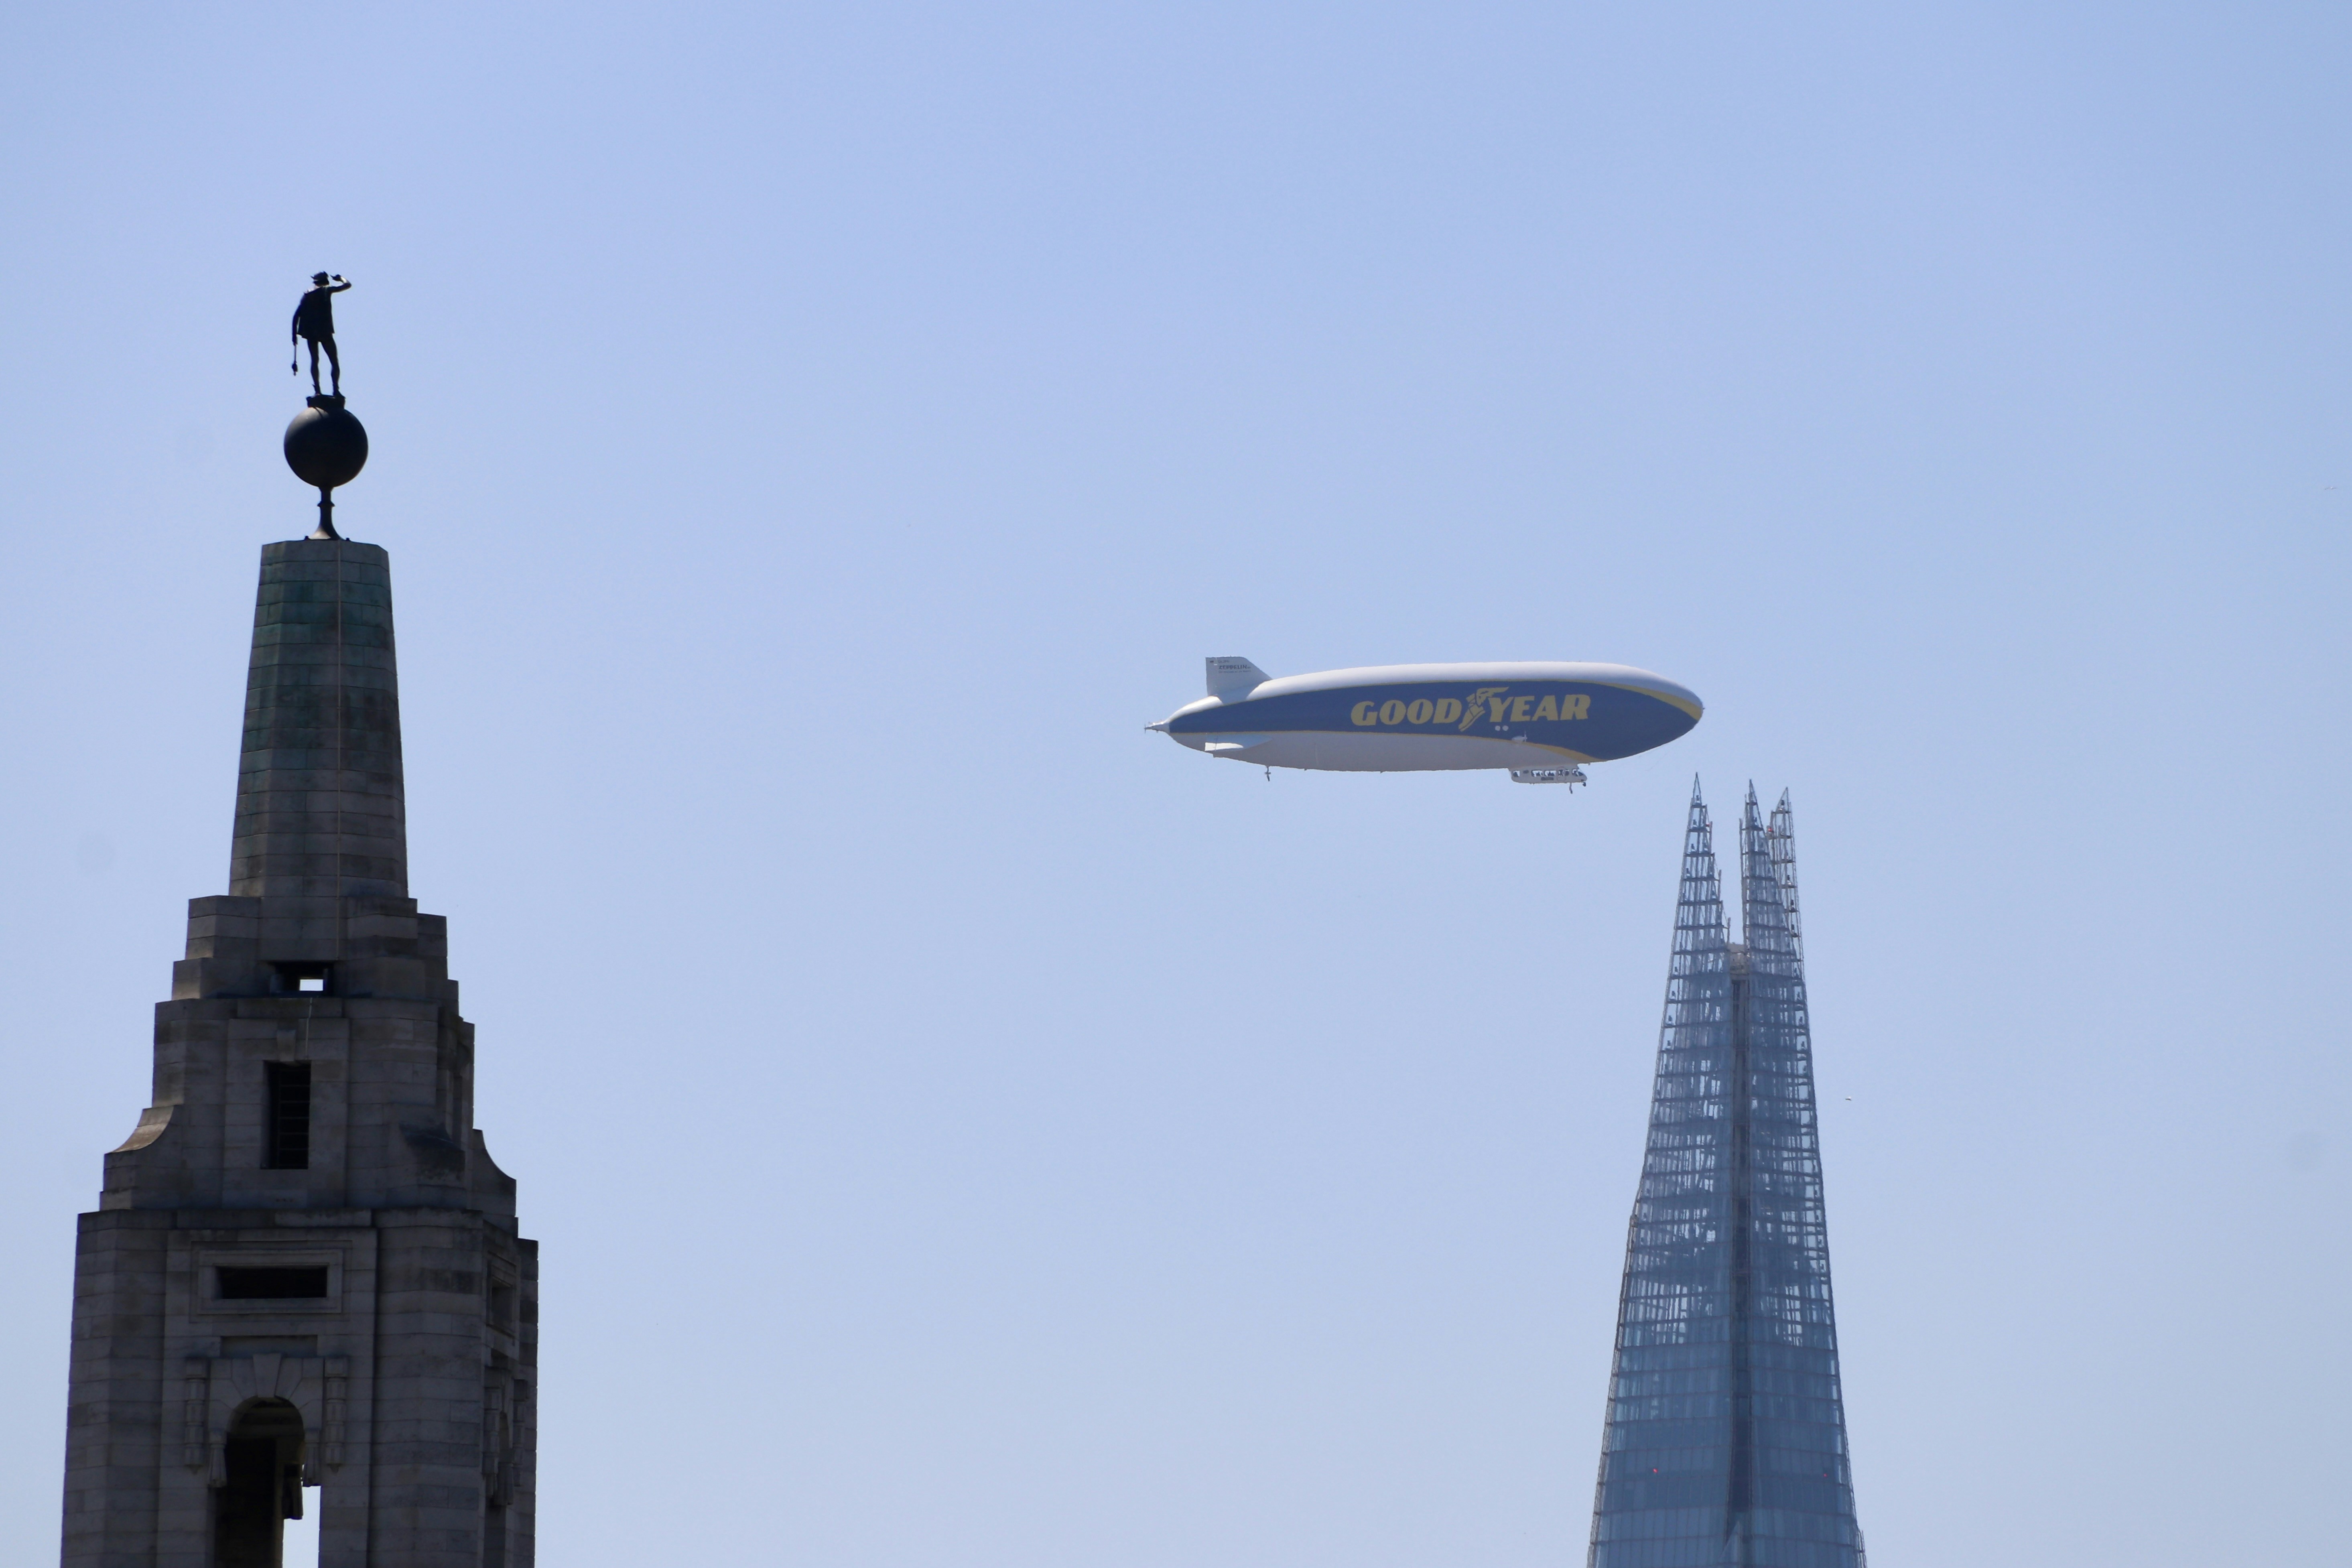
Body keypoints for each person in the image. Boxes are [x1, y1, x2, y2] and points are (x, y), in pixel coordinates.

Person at [291, 272, 353, 396]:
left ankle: (317, 391)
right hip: (325, 332)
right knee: (334, 362)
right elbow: (347, 285)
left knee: (315, 361)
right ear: (325, 281)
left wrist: (294, 335)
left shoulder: (307, 295)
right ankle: (336, 390)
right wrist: (340, 278)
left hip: (311, 333)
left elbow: (296, 315)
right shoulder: (326, 290)